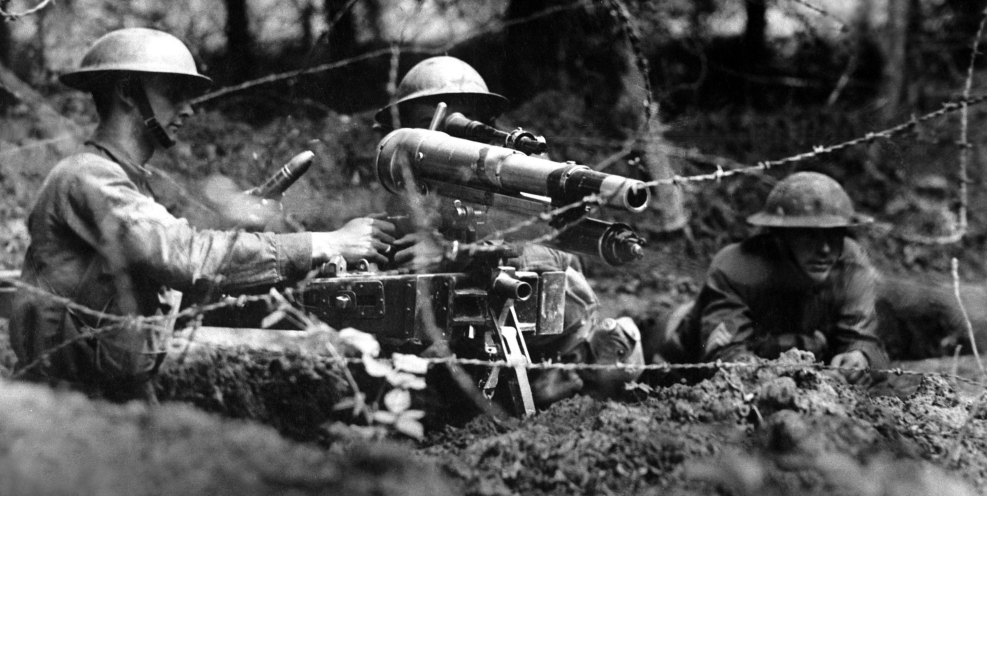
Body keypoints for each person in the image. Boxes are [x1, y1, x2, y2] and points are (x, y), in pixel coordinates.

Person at [9, 28, 395, 402]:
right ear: (128, 92)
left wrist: (235, 228)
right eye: (174, 94)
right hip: (64, 403)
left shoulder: (122, 179)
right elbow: (185, 258)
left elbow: (167, 268)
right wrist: (325, 244)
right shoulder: (89, 177)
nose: (189, 109)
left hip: (108, 395)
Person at [374, 55, 643, 405]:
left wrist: (456, 254)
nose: (440, 136)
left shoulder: (517, 177)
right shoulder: (406, 194)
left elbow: (554, 255)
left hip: (549, 345)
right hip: (464, 353)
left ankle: (572, 372)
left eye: (459, 122)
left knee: (620, 367)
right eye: (427, 124)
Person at [645, 171, 887, 384]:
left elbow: (865, 340)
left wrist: (859, 357)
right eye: (808, 235)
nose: (824, 249)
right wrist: (798, 379)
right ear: (780, 237)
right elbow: (723, 358)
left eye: (834, 235)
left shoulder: (851, 265)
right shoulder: (737, 266)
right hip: (684, 362)